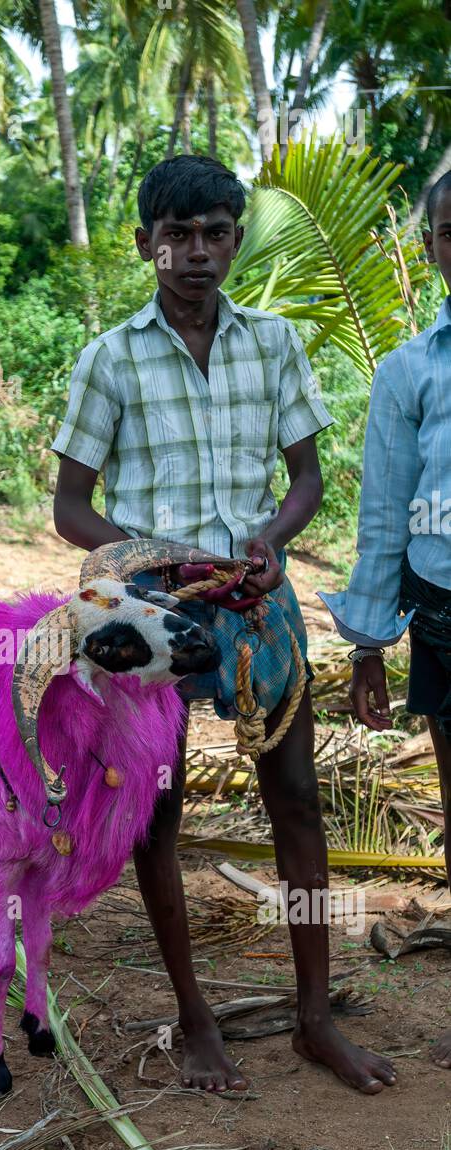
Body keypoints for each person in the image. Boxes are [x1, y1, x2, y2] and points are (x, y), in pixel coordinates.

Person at [52, 154, 397, 1094]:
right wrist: (151, 559)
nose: (196, 253)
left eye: (213, 233)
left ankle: (314, 1019)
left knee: (294, 799)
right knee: (157, 817)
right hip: (155, 617)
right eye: (176, 236)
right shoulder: (109, 358)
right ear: (144, 245)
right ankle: (194, 1017)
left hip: (255, 603)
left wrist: (272, 541)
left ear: (236, 240)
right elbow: (71, 507)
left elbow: (309, 479)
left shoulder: (274, 344)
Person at [321, 169, 451, 1070]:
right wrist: (370, 644)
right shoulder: (410, 370)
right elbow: (386, 511)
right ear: (434, 246)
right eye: (450, 230)